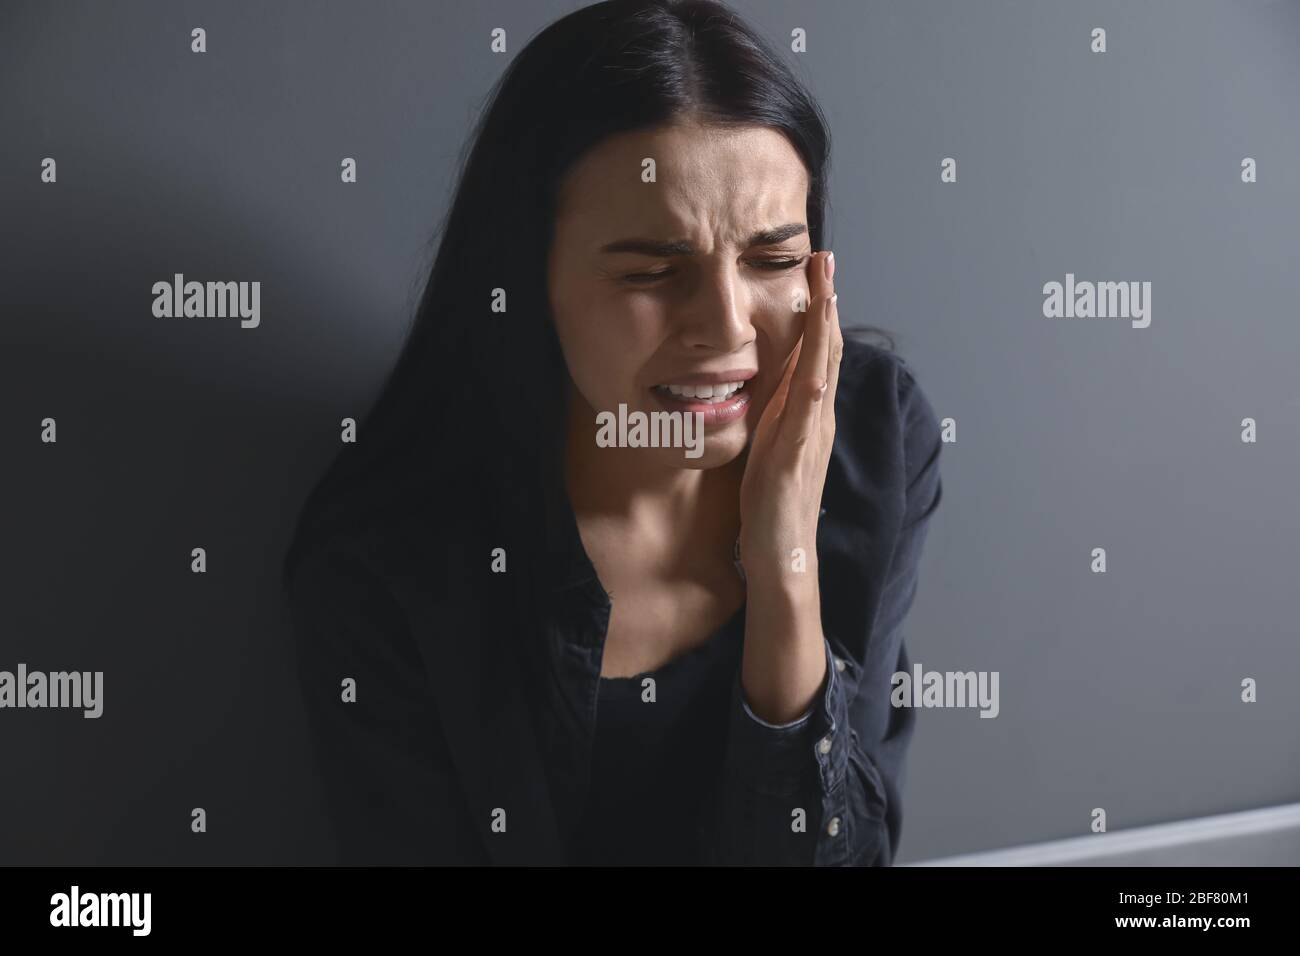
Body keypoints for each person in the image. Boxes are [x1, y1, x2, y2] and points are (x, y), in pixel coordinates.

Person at [281, 0, 943, 866]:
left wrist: (786, 559)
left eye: (775, 261)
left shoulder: (877, 440)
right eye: (652, 272)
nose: (727, 327)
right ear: (529, 276)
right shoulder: (387, 558)